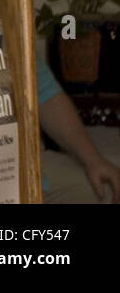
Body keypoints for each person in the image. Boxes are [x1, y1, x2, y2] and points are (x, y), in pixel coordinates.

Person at [38, 54, 120, 202]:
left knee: (111, 186)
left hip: (32, 170)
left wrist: (94, 160)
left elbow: (46, 96)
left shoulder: (13, 38)